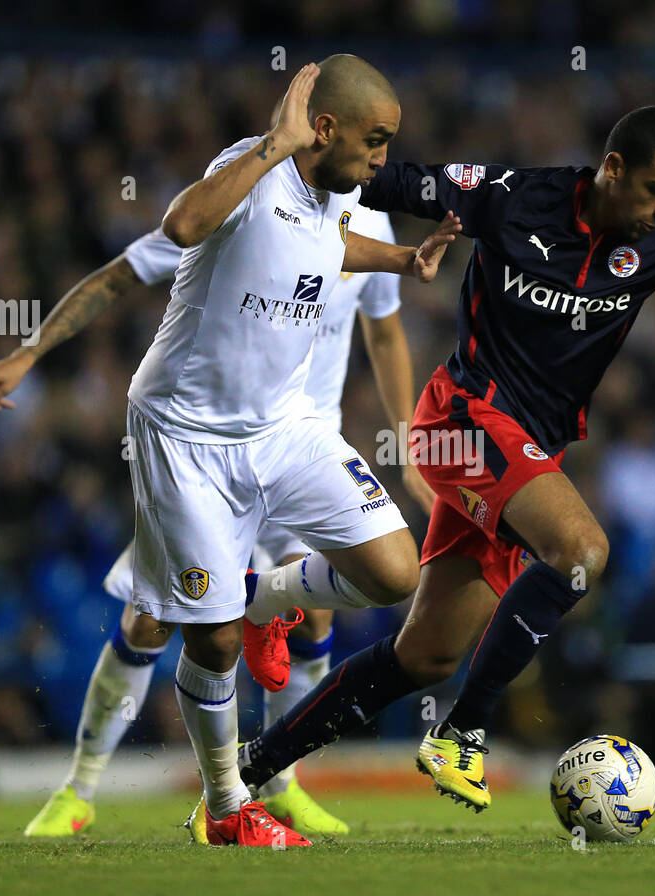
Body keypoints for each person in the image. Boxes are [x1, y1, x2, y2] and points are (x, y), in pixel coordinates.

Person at [236, 105, 655, 816]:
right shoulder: (511, 196)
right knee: (580, 550)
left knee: (427, 656)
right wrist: (286, 166)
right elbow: (389, 181)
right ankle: (462, 731)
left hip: (525, 452)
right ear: (613, 169)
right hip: (461, 419)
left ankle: (248, 769)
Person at [0, 194, 435, 838]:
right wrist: (31, 350)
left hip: (301, 445)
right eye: (371, 142)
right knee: (151, 620)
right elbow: (121, 274)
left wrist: (407, 444)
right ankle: (78, 789)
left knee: (320, 612)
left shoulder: (376, 224)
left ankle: (280, 785)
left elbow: (383, 332)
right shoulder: (244, 207)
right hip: (205, 448)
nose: (377, 164)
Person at [117, 55, 456, 846]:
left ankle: (263, 597)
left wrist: (403, 259)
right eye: (374, 141)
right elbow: (182, 228)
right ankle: (229, 807)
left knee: (393, 571)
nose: (382, 159)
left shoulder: (330, 203)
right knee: (216, 640)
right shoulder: (252, 167)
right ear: (324, 128)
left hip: (283, 429)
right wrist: (272, 143)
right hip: (184, 436)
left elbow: (323, 247)